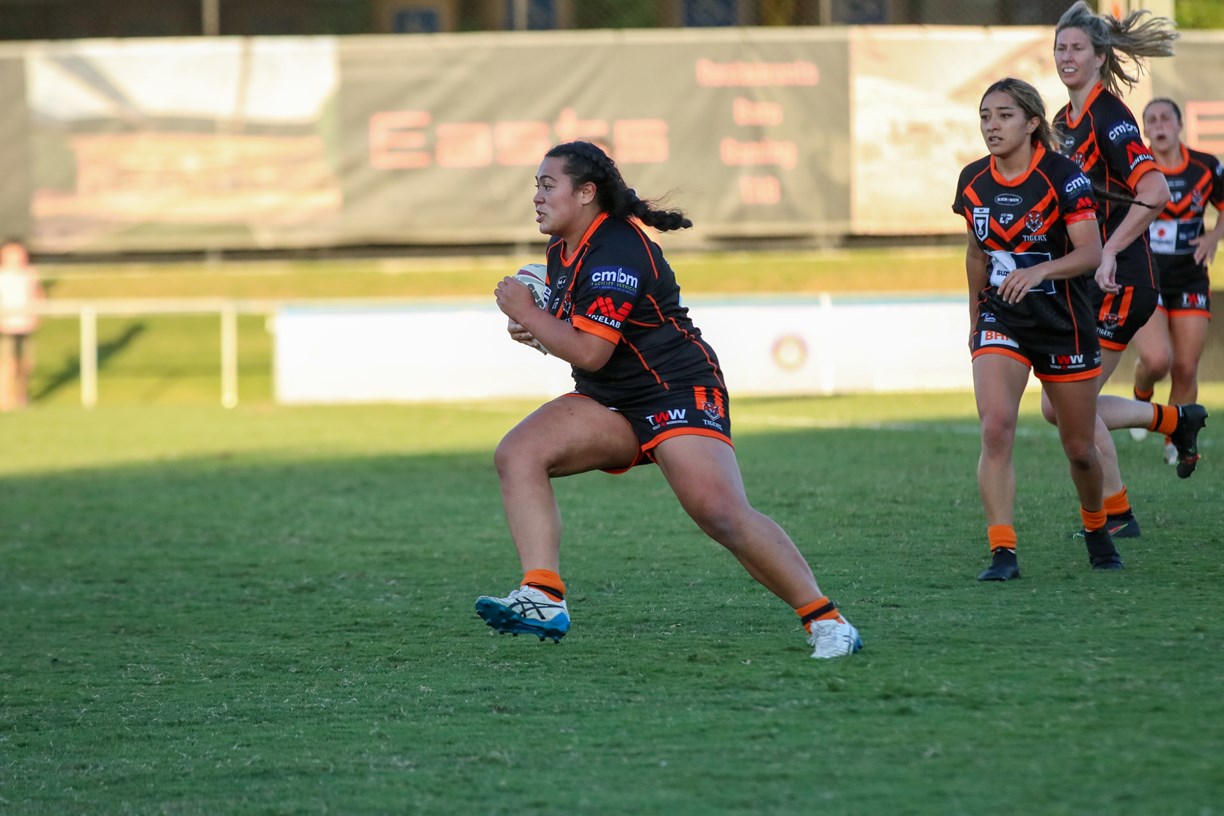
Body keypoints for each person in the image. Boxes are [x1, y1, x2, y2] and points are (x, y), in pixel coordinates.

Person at [475, 140, 862, 660]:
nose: (538, 198)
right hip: (610, 399)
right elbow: (588, 345)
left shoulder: (616, 248)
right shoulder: (562, 250)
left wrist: (529, 311)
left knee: (719, 513)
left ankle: (827, 621)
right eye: (536, 187)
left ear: (587, 193)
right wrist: (541, 329)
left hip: (675, 389)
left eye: (549, 186)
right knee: (518, 453)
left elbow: (590, 350)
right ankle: (543, 595)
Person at [1041, 1, 1206, 546]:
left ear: (1098, 55)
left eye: (1077, 48)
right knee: (1061, 405)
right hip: (1095, 281)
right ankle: (1155, 452)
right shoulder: (1066, 121)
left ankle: (1127, 497)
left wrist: (1108, 250)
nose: (1067, 56)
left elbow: (1154, 190)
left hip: (1121, 279)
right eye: (1061, 47)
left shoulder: (1109, 116)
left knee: (1069, 403)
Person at [954, 77, 1114, 580]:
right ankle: (1003, 552)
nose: (992, 126)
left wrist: (1039, 271)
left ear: (1031, 122)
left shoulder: (1063, 177)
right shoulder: (972, 180)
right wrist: (976, 319)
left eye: (1003, 115)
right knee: (996, 428)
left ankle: (1096, 527)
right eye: (985, 116)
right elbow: (977, 253)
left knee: (1081, 451)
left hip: (1062, 321)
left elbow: (1091, 252)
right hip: (1003, 318)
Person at [1125, 98, 1224, 465]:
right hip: (1147, 275)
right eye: (1151, 120)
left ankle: (1175, 439)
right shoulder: (1136, 171)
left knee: (1185, 366)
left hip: (1190, 278)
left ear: (1179, 124)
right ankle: (1141, 393)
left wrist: (1214, 238)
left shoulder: (1206, 166)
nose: (1159, 125)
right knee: (1156, 359)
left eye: (1166, 117)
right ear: (1145, 131)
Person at [0, 240, 44, 412]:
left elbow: (37, 294)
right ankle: (4, 398)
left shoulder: (29, 274)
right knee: (7, 362)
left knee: (25, 363)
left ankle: (22, 396)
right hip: (6, 325)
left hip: (25, 324)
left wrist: (36, 314)